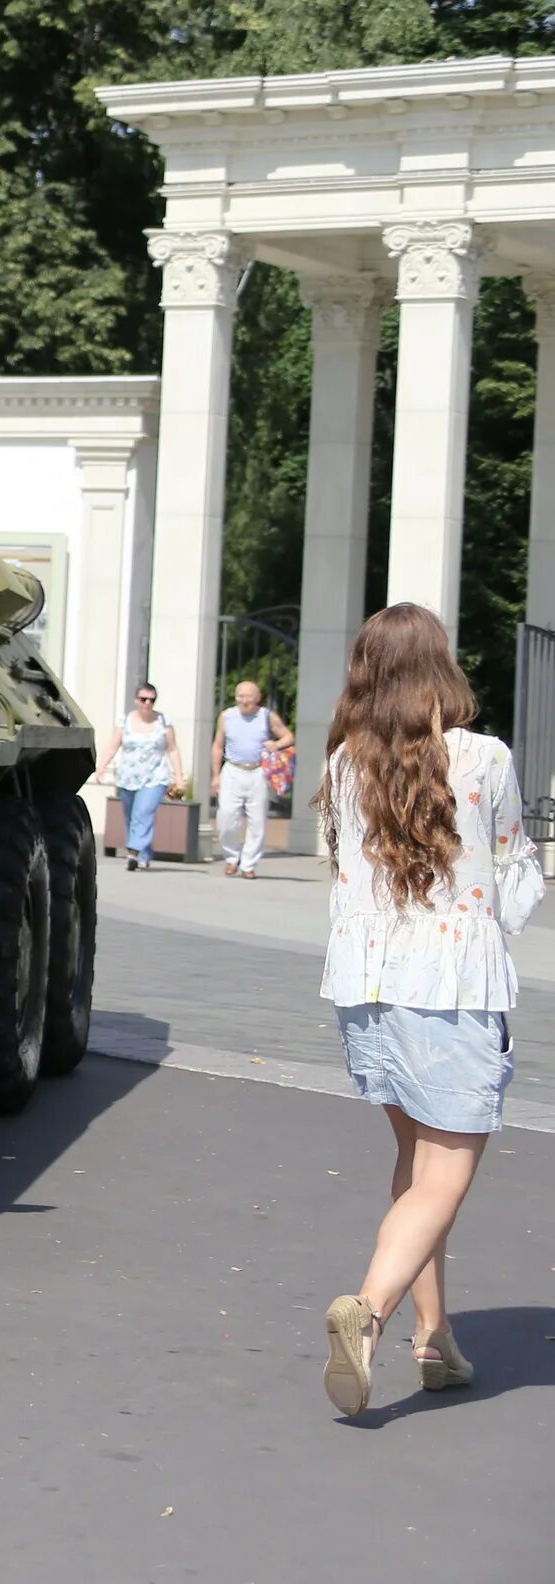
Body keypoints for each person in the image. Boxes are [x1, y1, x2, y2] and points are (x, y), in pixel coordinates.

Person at [314, 603, 540, 1415]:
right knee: (446, 1174)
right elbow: (513, 893)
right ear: (440, 667)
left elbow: (337, 867)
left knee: (417, 1165)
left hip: (366, 987)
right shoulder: (483, 759)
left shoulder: (344, 763)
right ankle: (368, 1313)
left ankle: (434, 1336)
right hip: (451, 989)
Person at [209, 679, 294, 879]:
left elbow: (288, 737)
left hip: (258, 771)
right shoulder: (227, 716)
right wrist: (215, 776)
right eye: (240, 696)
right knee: (226, 817)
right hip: (232, 769)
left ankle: (248, 864)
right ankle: (231, 857)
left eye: (248, 696)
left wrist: (276, 744)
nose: (244, 700)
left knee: (257, 820)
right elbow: (217, 746)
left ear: (257, 698)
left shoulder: (266, 716)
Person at [99, 682, 181, 871]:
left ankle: (133, 852)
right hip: (128, 776)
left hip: (155, 776)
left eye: (152, 700)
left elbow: (173, 750)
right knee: (131, 817)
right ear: (136, 700)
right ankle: (144, 854)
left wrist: (179, 777)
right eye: (143, 699)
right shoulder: (125, 721)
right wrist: (102, 766)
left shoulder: (164, 722)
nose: (147, 703)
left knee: (143, 813)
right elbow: (113, 745)